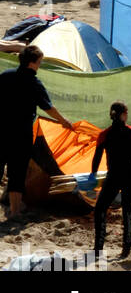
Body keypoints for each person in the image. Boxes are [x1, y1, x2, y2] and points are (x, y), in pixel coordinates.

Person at [0, 45, 72, 219]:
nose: (40, 64)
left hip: (1, 129)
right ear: (32, 63)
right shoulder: (34, 83)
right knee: (17, 172)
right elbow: (48, 107)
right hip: (21, 133)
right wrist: (63, 122)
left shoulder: (5, 76)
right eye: (39, 61)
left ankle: (14, 206)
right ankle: (15, 211)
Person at [91, 101, 131, 259]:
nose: (127, 115)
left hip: (114, 176)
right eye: (126, 112)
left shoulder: (104, 134)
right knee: (128, 211)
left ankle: (98, 249)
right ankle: (126, 250)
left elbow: (97, 158)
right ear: (122, 114)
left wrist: (93, 174)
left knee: (100, 209)